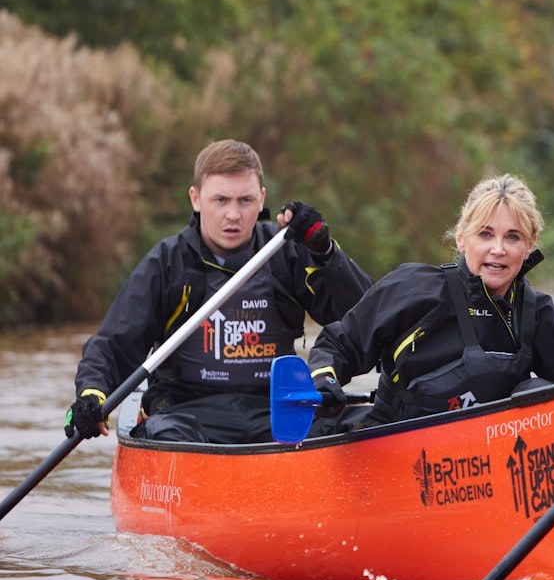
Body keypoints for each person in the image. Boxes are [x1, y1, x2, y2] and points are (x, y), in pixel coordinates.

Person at [64, 139, 373, 444]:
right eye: (221, 200)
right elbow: (114, 343)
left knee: (366, 422)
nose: (233, 215)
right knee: (166, 433)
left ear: (262, 199)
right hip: (186, 417)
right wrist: (92, 393)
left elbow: (369, 319)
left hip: (274, 413)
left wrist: (324, 252)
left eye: (245, 200)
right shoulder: (168, 263)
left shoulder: (287, 251)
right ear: (196, 199)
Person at [305, 173, 554, 429]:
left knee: (539, 391)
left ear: (529, 245)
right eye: (485, 234)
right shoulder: (414, 288)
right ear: (462, 237)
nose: (498, 249)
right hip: (394, 445)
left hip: (483, 466)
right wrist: (324, 379)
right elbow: (339, 344)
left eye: (512, 237)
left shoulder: (534, 313)